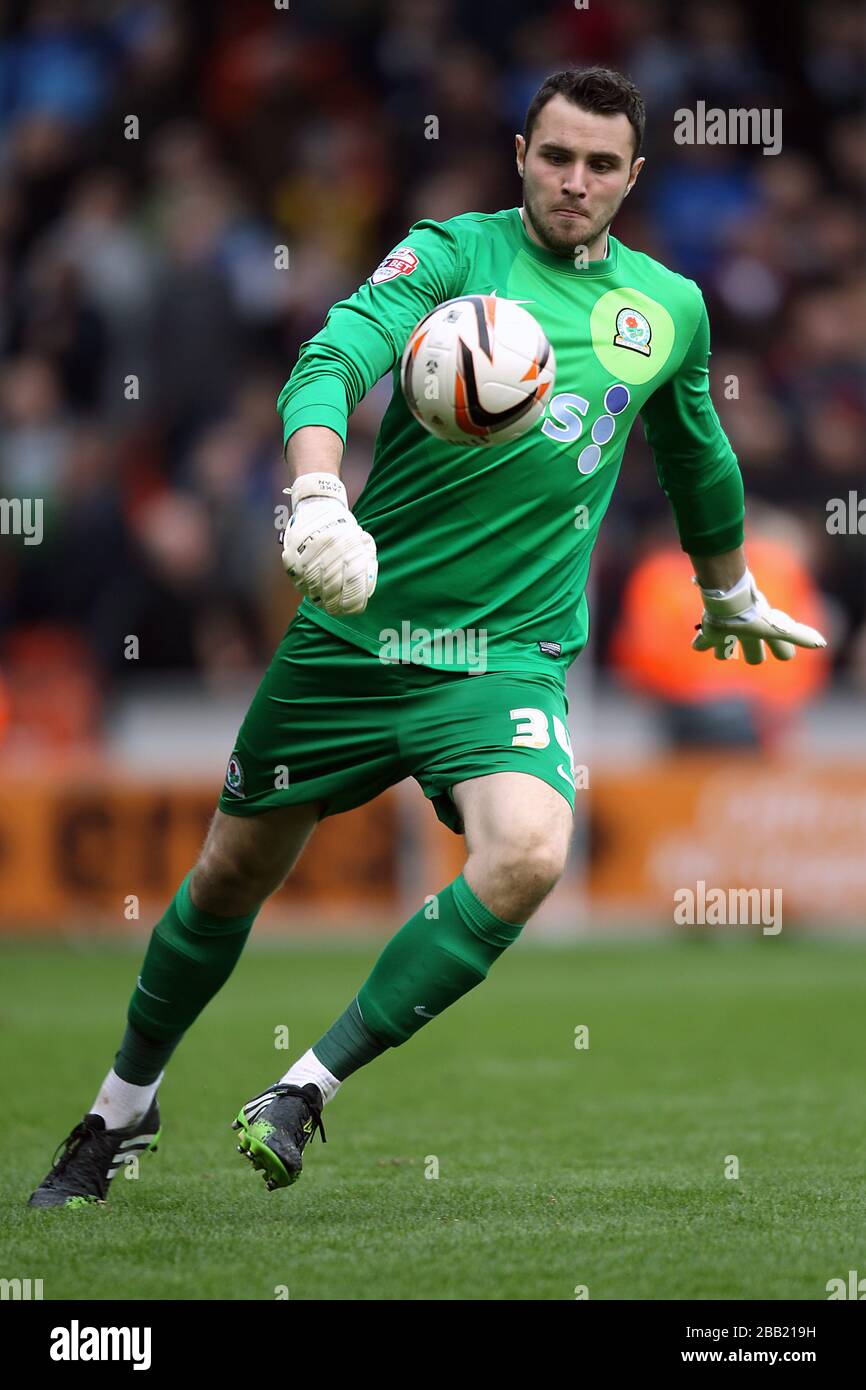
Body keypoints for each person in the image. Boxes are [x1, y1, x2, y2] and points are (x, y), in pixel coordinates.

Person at [28, 66, 825, 1207]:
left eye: (601, 164)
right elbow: (330, 360)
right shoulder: (450, 255)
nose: (575, 181)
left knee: (529, 853)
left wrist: (727, 581)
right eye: (556, 156)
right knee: (227, 876)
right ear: (519, 154)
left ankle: (302, 1089)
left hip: (504, 656)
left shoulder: (669, 310)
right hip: (358, 628)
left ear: (632, 177)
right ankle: (118, 1108)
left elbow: (695, 450)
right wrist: (314, 493)